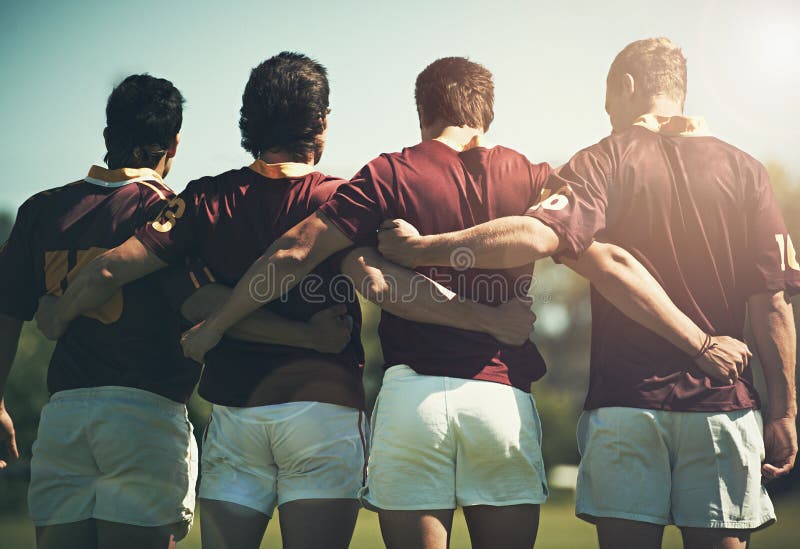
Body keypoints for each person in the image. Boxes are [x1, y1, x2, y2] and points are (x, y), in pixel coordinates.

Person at [174, 56, 750, 549]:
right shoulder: (532, 175)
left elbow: (300, 253)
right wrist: (697, 342)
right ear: (487, 113)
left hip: (412, 398)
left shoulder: (388, 173)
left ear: (423, 113)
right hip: (500, 399)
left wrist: (216, 324)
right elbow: (613, 264)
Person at [33, 52, 539, 549]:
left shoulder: (204, 197)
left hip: (235, 409)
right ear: (320, 123)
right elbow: (381, 284)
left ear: (248, 119)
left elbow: (122, 272)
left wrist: (59, 313)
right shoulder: (339, 196)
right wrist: (486, 316)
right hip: (324, 410)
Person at [377, 37, 799, 549]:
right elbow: (773, 303)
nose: (607, 117)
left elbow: (538, 235)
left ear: (625, 86)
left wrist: (424, 248)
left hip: (627, 403)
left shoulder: (602, 159)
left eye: (608, 103)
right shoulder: (748, 171)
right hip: (722, 402)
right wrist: (782, 411)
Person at [0, 74, 199, 549]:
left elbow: (6, 311)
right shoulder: (171, 210)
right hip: (143, 413)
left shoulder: (40, 209)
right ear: (174, 143)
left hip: (64, 415)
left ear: (108, 136)